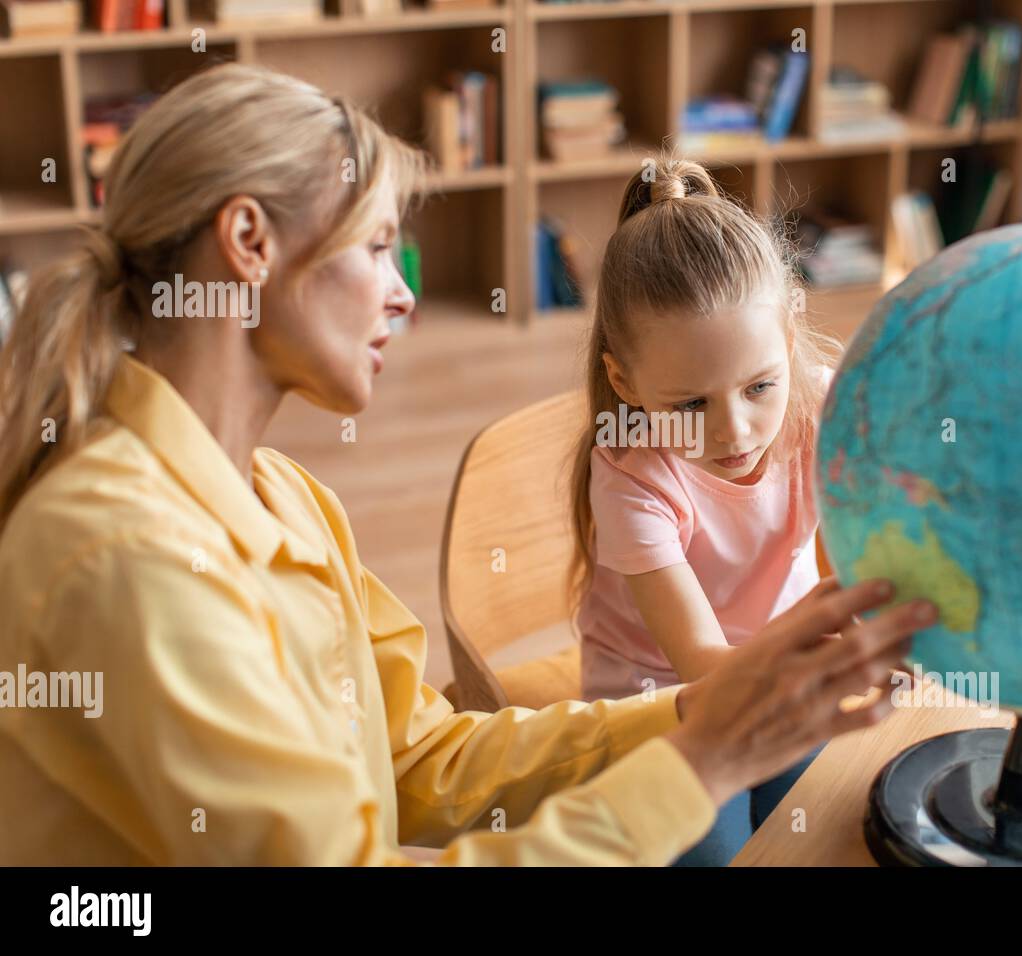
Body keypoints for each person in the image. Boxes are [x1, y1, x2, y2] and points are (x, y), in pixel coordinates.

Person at [0, 63, 936, 866]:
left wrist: (701, 712)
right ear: (249, 244)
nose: (405, 294)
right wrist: (705, 761)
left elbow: (423, 758)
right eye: (376, 248)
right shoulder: (126, 555)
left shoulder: (284, 496)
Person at [569, 157, 840, 864]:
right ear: (624, 383)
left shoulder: (826, 410)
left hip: (778, 677)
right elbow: (702, 666)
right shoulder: (631, 480)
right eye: (690, 404)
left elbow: (858, 562)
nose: (734, 431)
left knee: (833, 825)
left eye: (760, 386)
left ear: (789, 343)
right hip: (660, 705)